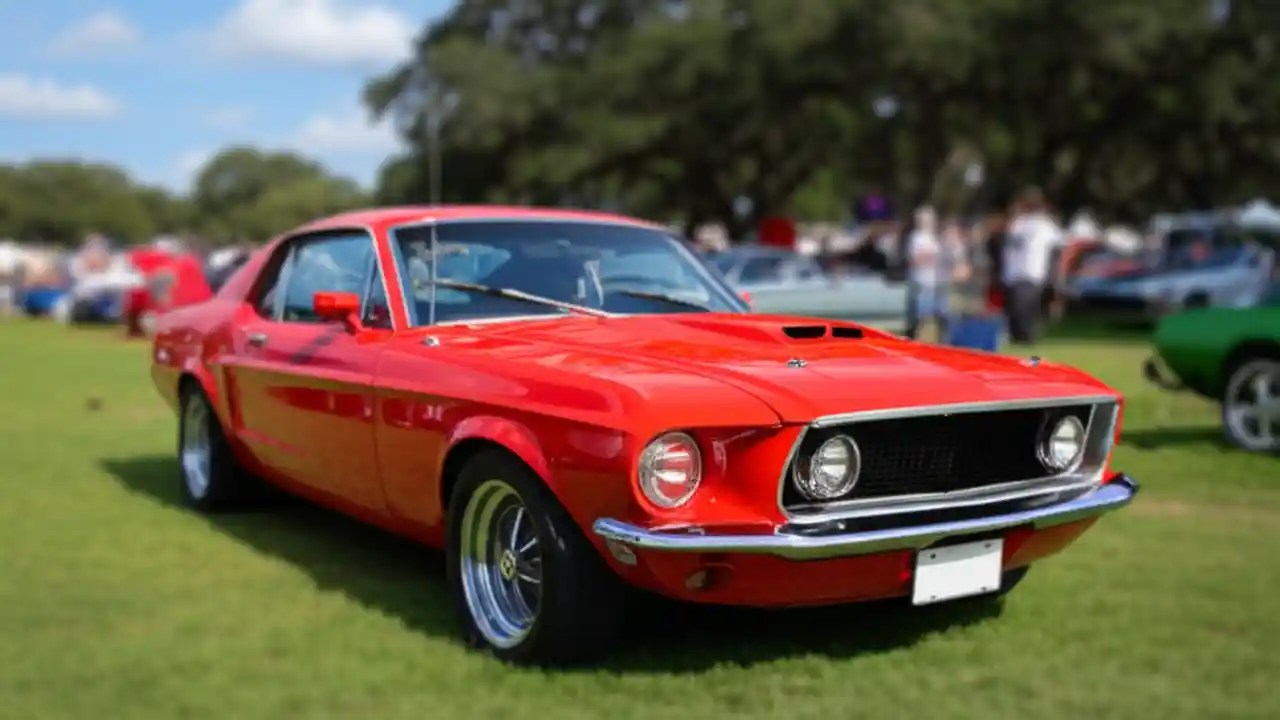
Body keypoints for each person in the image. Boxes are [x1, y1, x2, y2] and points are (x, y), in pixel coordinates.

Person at [1002, 188, 1064, 344]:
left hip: (1032, 273)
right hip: (1017, 274)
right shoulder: (1018, 223)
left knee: (1025, 311)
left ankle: (1025, 338)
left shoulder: (1045, 224)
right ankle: (1019, 338)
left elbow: (1055, 251)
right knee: (1016, 312)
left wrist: (1053, 277)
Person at [904, 206, 952, 340]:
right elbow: (916, 258)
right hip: (921, 281)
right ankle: (913, 339)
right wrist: (931, 256)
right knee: (920, 316)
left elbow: (941, 256)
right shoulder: (916, 238)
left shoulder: (933, 237)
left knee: (940, 314)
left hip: (936, 281)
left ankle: (943, 340)